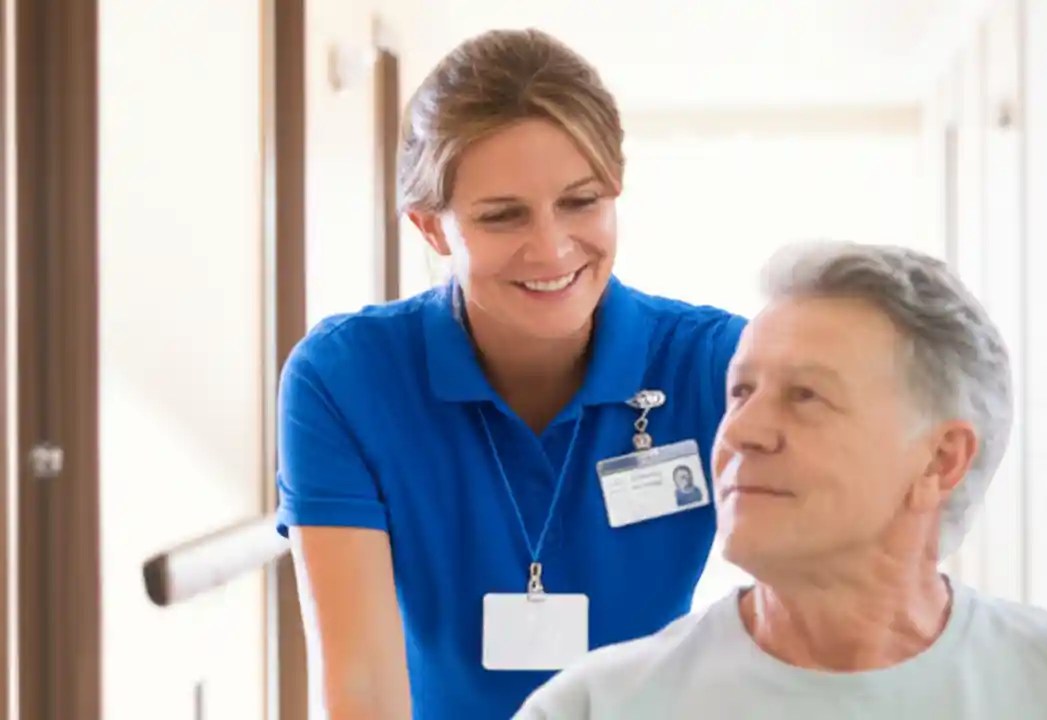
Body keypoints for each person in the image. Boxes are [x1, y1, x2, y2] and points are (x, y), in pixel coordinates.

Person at [517, 242, 1047, 719]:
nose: (741, 433)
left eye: (806, 396)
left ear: (940, 461)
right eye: (741, 392)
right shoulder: (592, 708)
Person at [274, 28, 745, 719]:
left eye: (581, 202)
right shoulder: (344, 379)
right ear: (433, 230)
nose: (552, 248)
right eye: (502, 217)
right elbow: (364, 689)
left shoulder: (712, 363)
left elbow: (820, 600)